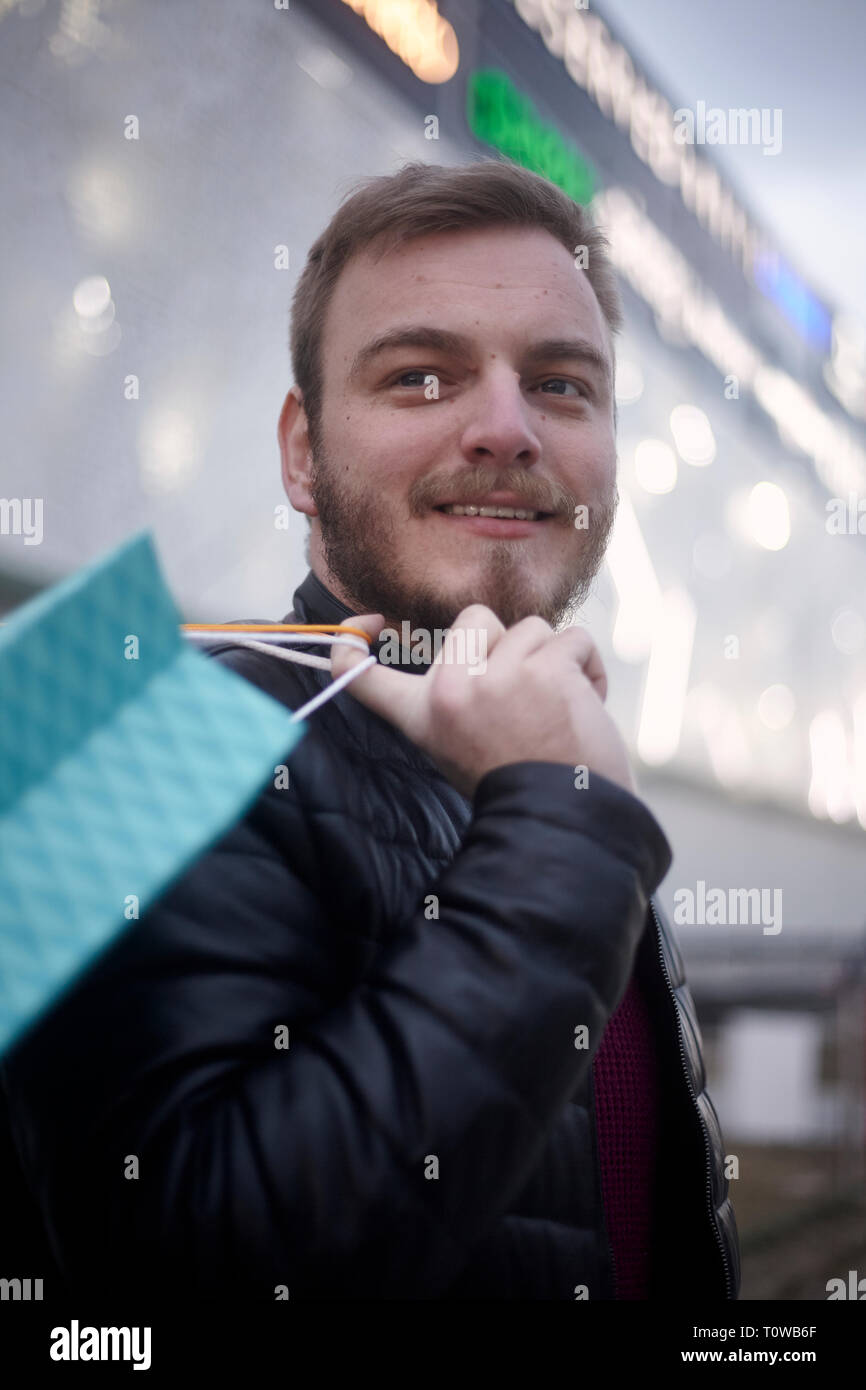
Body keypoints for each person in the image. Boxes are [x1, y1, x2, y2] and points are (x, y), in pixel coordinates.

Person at [1, 159, 739, 1301]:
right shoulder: (126, 728)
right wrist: (560, 836)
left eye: (559, 386)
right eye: (420, 376)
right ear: (301, 452)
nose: (505, 428)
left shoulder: (549, 752)